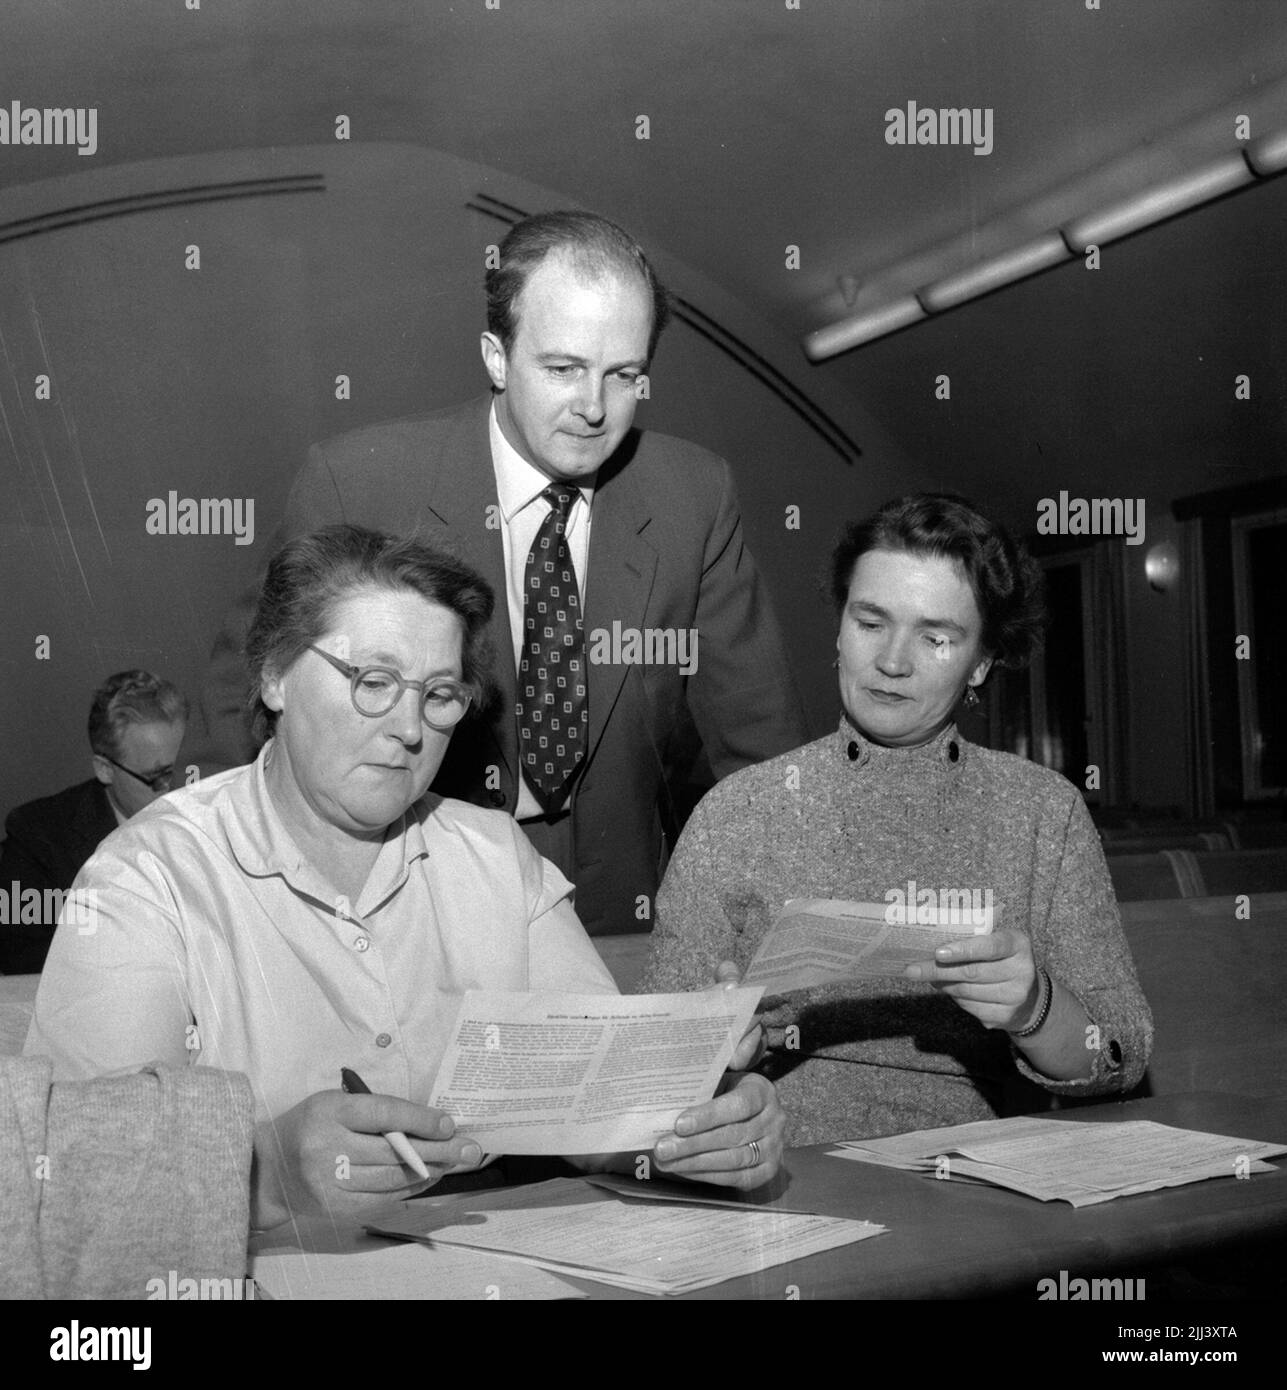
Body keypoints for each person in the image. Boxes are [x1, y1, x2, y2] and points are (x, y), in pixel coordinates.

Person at [26, 525, 784, 1229]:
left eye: (439, 694)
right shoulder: (148, 876)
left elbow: (594, 1118)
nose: (410, 727)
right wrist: (268, 1169)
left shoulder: (494, 854)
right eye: (374, 680)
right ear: (274, 677)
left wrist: (693, 1124)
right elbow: (79, 1176)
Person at [181, 210, 807, 937]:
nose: (594, 409)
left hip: (619, 911)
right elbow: (240, 718)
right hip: (395, 903)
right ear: (496, 357)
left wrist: (768, 937)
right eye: (563, 369)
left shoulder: (691, 495)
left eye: (624, 376)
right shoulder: (358, 484)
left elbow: (759, 751)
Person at [643, 494, 1153, 1145]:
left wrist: (1033, 1009)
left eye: (935, 637)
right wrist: (711, 1050)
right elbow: (653, 1075)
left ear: (983, 661)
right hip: (781, 1169)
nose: (892, 661)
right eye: (870, 622)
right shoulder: (735, 812)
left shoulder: (1042, 812)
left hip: (978, 1180)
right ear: (838, 628)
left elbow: (1120, 1056)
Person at [0, 670, 187, 974]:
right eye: (155, 777)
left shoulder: (206, 816)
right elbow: (21, 955)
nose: (172, 789)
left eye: (176, 768)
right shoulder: (37, 836)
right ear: (105, 769)